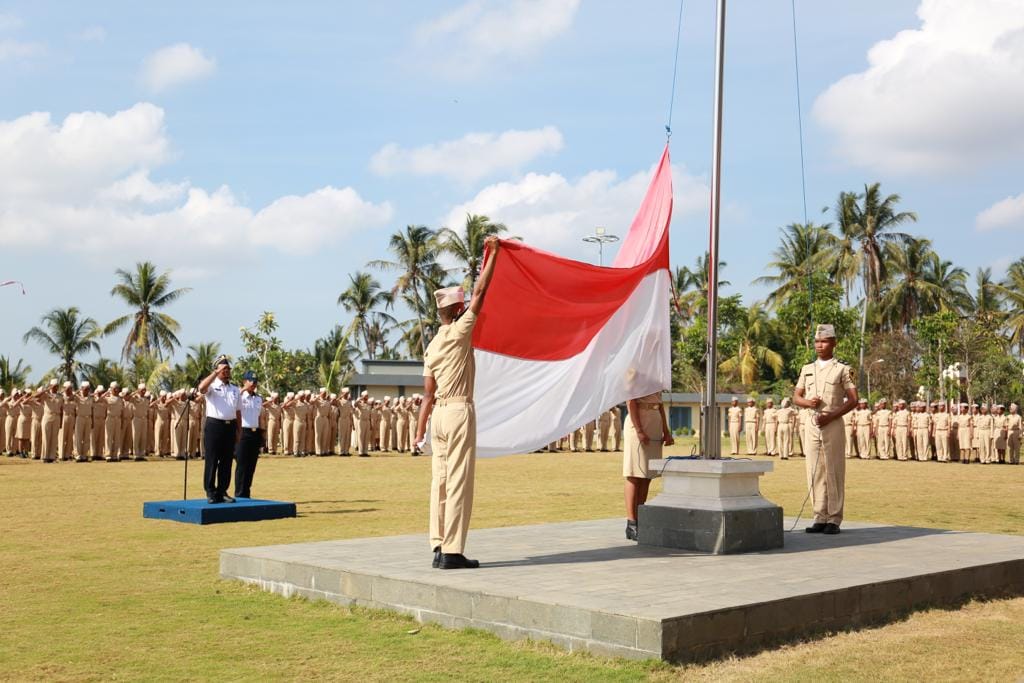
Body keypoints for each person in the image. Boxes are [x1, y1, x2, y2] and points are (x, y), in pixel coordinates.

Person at [414, 235, 500, 570]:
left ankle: (438, 545)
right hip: (460, 410)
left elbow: (427, 393)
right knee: (459, 480)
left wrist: (418, 432)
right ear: (458, 309)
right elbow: (481, 291)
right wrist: (493, 254)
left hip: (437, 416)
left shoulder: (433, 344)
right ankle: (452, 551)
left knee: (440, 481)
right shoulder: (461, 329)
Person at [792, 324, 858, 535]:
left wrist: (831, 415)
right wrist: (807, 403)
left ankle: (834, 518)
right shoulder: (807, 369)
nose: (820, 345)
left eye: (824, 341)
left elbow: (854, 399)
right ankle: (819, 516)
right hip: (811, 423)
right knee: (814, 470)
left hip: (833, 422)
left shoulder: (843, 369)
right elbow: (796, 397)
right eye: (817, 342)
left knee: (834, 470)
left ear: (833, 343)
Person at [623, 389, 674, 541]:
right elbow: (630, 401)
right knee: (634, 474)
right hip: (638, 420)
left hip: (654, 422)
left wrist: (666, 430)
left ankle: (640, 519)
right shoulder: (634, 371)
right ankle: (631, 523)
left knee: (647, 475)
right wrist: (639, 430)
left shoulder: (655, 375)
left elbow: (660, 403)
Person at [198, 356, 241, 504]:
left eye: (228, 369)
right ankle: (210, 492)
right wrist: (215, 374)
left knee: (226, 461)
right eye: (224, 369)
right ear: (217, 370)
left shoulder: (235, 389)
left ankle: (222, 491)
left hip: (230, 426)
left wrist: (239, 431)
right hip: (214, 425)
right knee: (212, 460)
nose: (227, 371)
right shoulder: (212, 386)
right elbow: (201, 388)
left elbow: (238, 411)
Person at [234, 371, 263, 499]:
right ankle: (239, 494)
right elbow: (232, 401)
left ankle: (246, 493)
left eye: (255, 381)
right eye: (250, 381)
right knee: (242, 465)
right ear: (244, 381)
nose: (253, 383)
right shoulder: (239, 396)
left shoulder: (258, 398)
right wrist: (243, 389)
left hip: (254, 432)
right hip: (243, 432)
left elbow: (259, 416)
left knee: (251, 465)